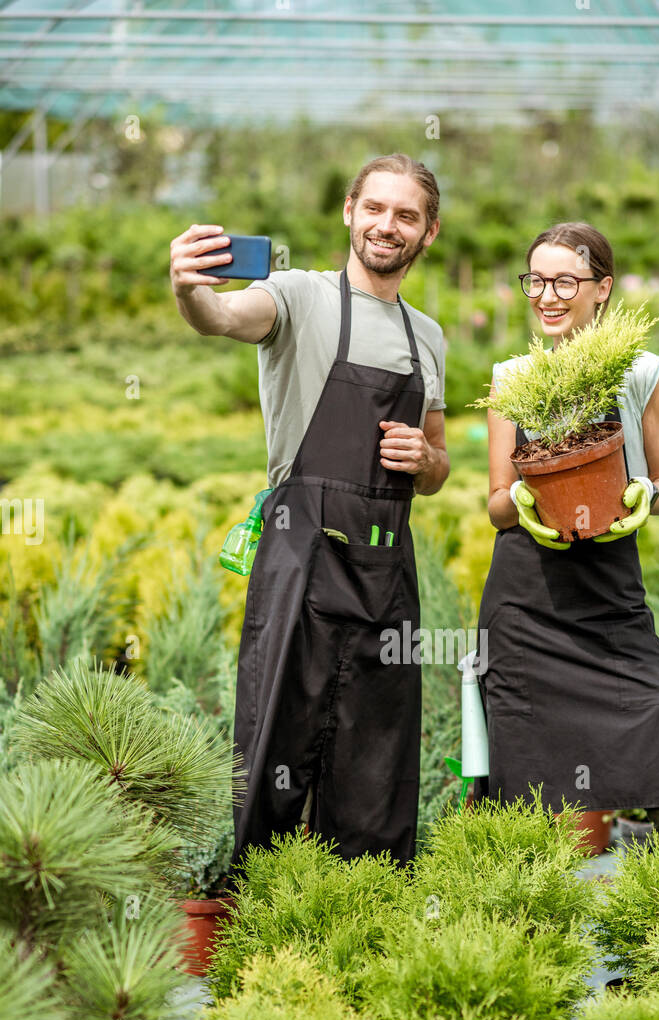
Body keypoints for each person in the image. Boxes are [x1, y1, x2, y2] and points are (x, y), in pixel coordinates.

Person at [169, 153, 450, 869]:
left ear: (429, 233)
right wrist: (190, 288)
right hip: (302, 559)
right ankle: (258, 913)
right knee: (276, 745)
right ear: (350, 211)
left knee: (377, 762)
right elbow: (222, 316)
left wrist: (426, 462)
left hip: (385, 570)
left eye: (406, 216)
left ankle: (363, 911)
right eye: (376, 208)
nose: (388, 225)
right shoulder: (297, 295)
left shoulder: (429, 338)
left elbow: (437, 469)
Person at [476, 221, 659, 843]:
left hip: (609, 599)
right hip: (527, 603)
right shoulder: (512, 377)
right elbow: (496, 502)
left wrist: (646, 495)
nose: (547, 296)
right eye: (536, 281)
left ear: (601, 289)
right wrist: (521, 499)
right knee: (521, 785)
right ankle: (520, 925)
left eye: (564, 281)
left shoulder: (644, 373)